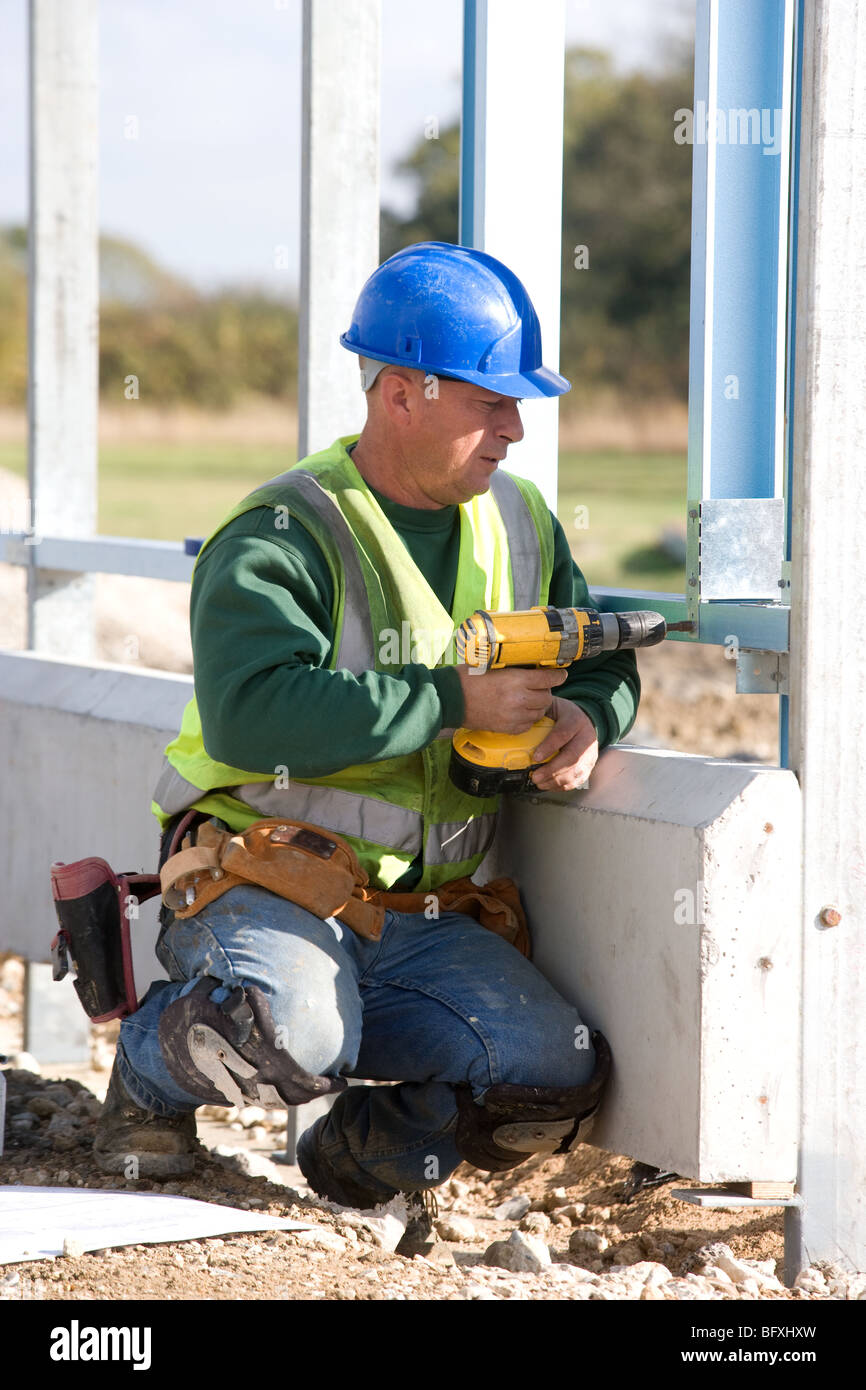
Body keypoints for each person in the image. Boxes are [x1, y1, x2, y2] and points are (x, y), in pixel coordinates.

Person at [94, 242, 640, 1245]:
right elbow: (254, 712)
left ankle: (352, 1156)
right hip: (266, 880)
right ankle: (145, 1070)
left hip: (422, 915)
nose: (514, 431)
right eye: (491, 402)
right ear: (402, 394)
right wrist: (452, 698)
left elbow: (595, 651)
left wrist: (587, 716)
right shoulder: (281, 531)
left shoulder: (517, 522)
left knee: (551, 1070)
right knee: (287, 1034)